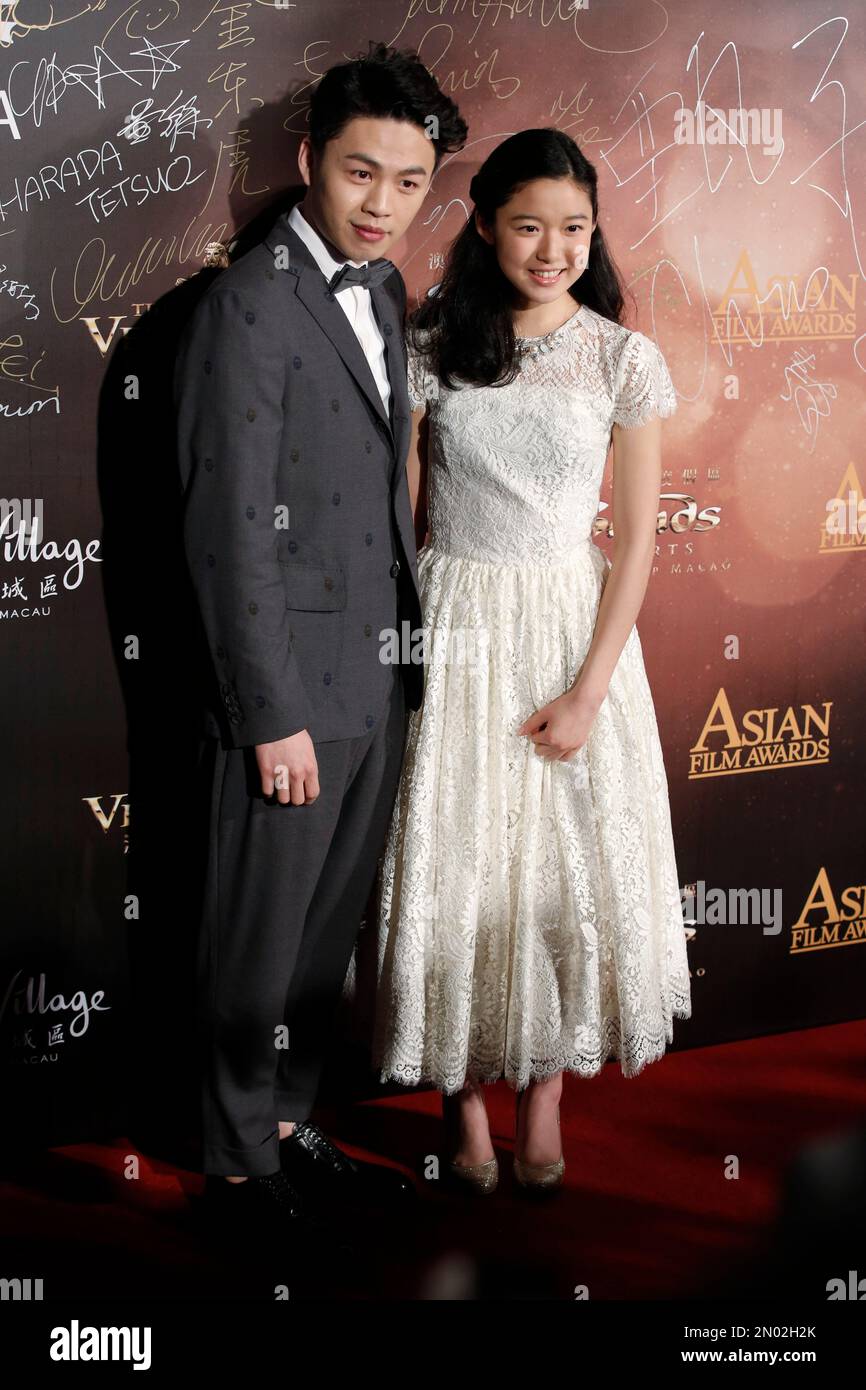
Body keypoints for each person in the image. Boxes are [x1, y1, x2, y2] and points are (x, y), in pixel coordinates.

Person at [173, 42, 467, 1233]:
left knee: (316, 945)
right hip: (289, 696)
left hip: (376, 679)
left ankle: (291, 1128)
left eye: (408, 182)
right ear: (308, 161)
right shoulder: (247, 307)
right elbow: (226, 527)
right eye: (361, 175)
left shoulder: (387, 290)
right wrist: (268, 711)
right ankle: (233, 1173)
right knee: (253, 945)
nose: (384, 205)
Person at [370, 128, 692, 1196]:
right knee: (454, 860)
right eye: (526, 226)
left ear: (592, 233)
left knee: (556, 867)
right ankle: (460, 1102)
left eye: (573, 228)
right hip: (452, 616)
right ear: (482, 225)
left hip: (567, 623)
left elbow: (637, 539)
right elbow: (394, 503)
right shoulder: (426, 341)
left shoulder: (618, 356)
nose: (551, 248)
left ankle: (542, 1096)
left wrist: (589, 687)